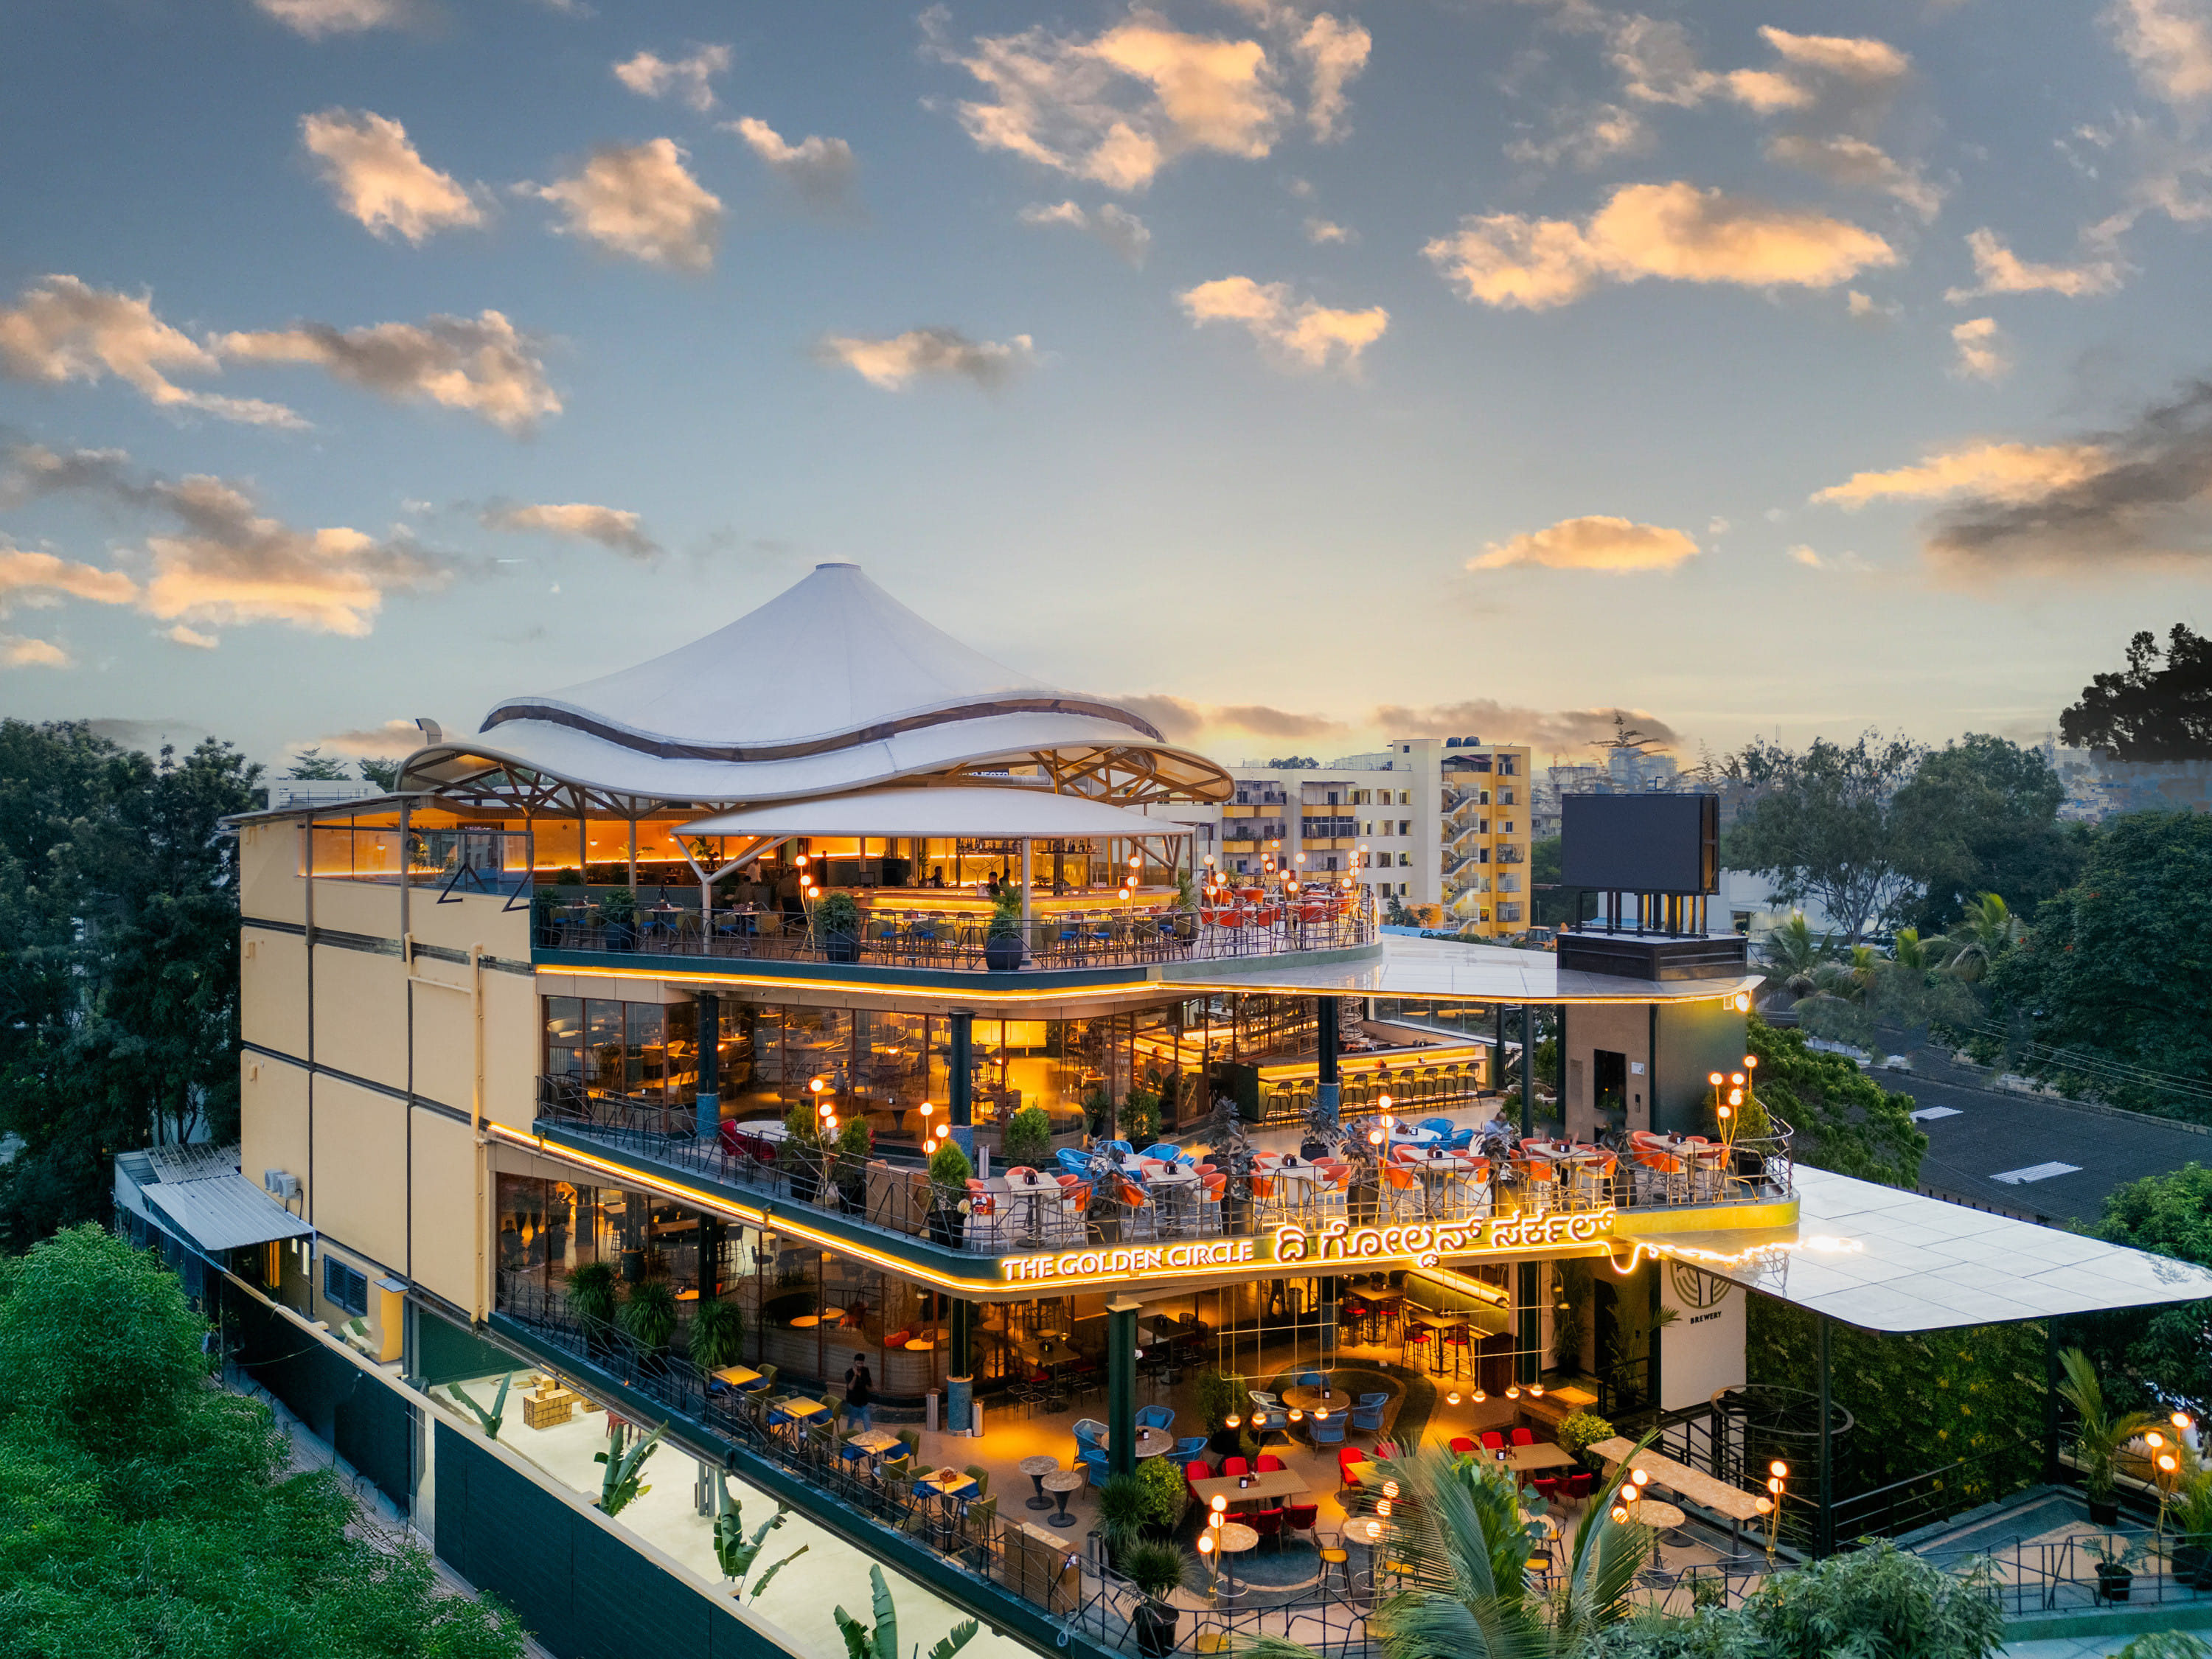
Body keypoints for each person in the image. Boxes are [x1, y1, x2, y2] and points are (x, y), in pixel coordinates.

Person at [844, 1351, 874, 1430]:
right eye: (858, 1363)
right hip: (853, 1403)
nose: (860, 1366)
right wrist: (855, 1376)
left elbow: (869, 1384)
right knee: (851, 1424)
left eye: (861, 1363)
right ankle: (847, 1438)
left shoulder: (865, 1371)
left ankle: (868, 1439)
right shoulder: (849, 1373)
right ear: (854, 1363)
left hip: (864, 1402)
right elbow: (850, 1387)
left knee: (867, 1425)